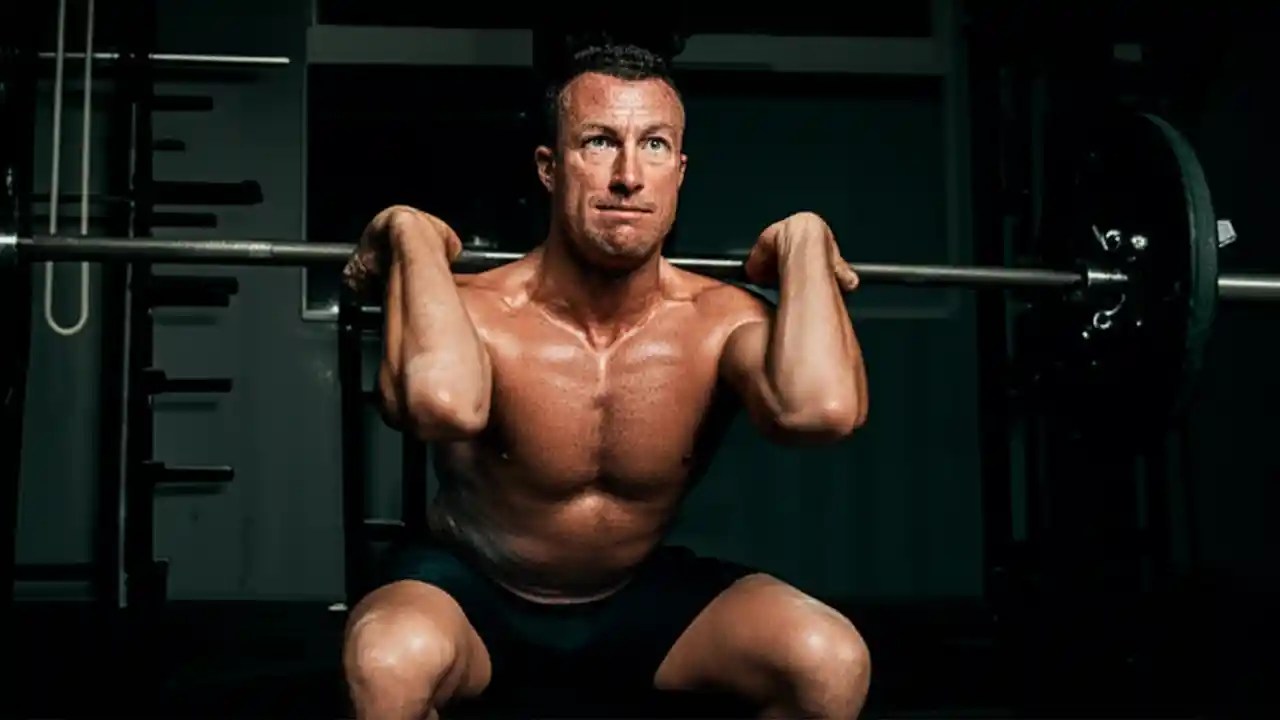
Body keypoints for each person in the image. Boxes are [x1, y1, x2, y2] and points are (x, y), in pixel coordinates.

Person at [340, 37, 871, 720]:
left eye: (653, 145)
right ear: (550, 167)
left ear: (679, 170)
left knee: (830, 661)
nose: (628, 174)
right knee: (386, 664)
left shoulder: (716, 321)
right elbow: (439, 405)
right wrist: (410, 233)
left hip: (635, 597)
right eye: (598, 142)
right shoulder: (480, 309)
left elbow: (820, 410)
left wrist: (804, 242)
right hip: (473, 594)